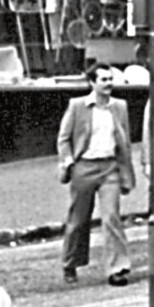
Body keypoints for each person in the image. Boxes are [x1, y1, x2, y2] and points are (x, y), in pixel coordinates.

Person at [56, 78, 135, 286]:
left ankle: (117, 268)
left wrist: (126, 171)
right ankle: (70, 263)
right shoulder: (77, 106)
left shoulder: (119, 107)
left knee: (111, 217)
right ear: (92, 83)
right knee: (79, 219)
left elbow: (124, 141)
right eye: (103, 80)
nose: (109, 83)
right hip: (84, 167)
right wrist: (69, 162)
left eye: (110, 79)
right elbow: (63, 138)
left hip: (110, 167)